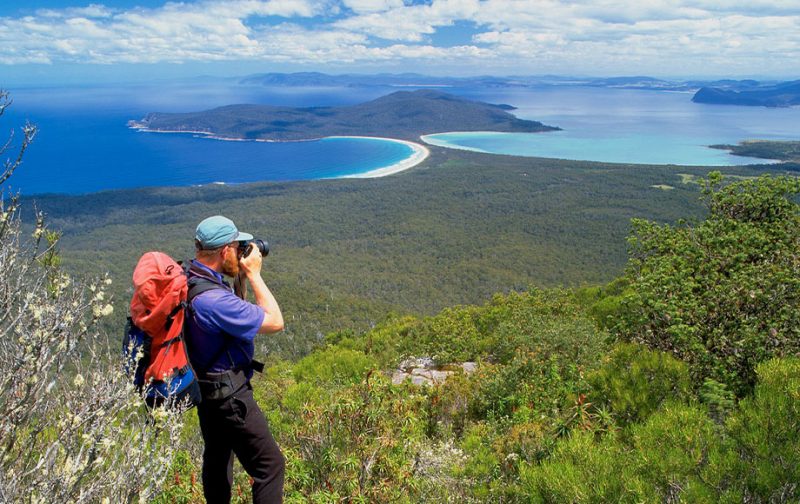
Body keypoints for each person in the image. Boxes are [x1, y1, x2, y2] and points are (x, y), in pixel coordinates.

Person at [184, 215, 285, 504]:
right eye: (237, 246)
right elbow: (275, 322)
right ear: (225, 250)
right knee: (270, 467)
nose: (242, 252)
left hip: (207, 394)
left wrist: (238, 276)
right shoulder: (215, 302)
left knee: (218, 463)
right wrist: (254, 274)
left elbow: (230, 318)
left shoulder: (193, 280)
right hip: (231, 397)